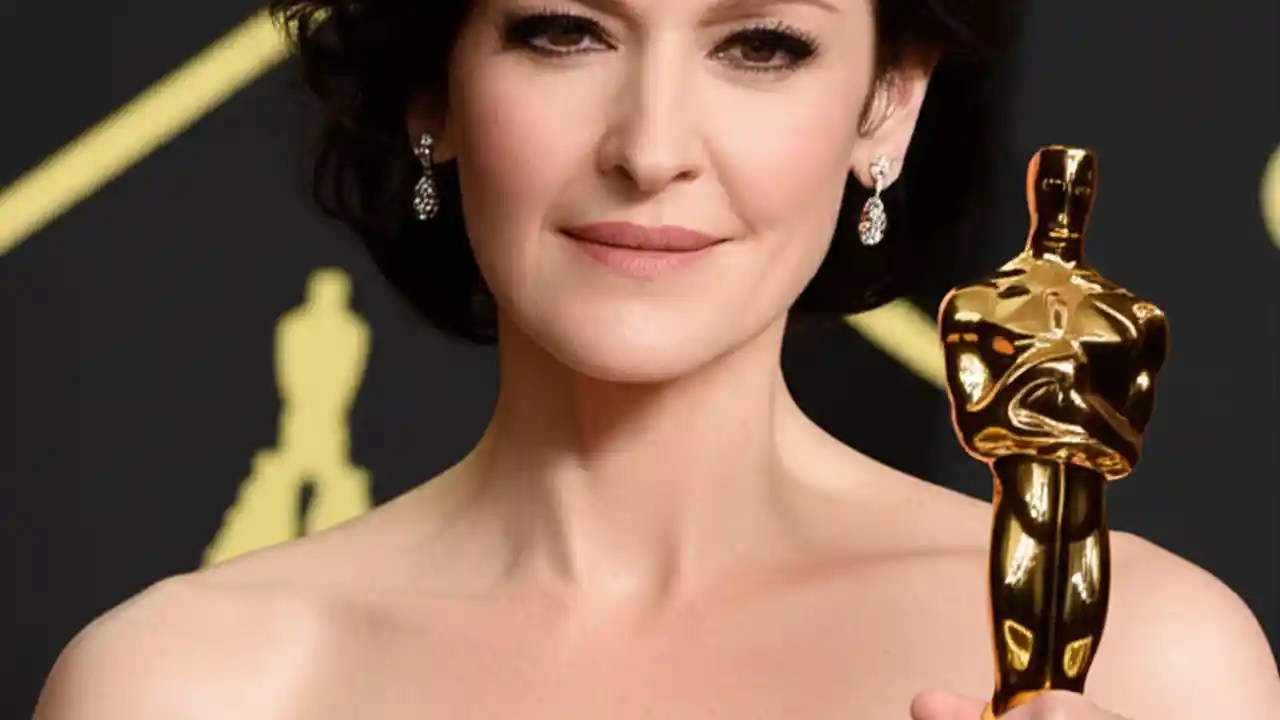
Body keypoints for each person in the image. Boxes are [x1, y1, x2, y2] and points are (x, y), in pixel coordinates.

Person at [32, 1, 1279, 718]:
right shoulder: (184, 688)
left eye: (760, 46)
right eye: (564, 31)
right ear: (433, 93)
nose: (650, 146)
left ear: (885, 105)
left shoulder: (1140, 657)